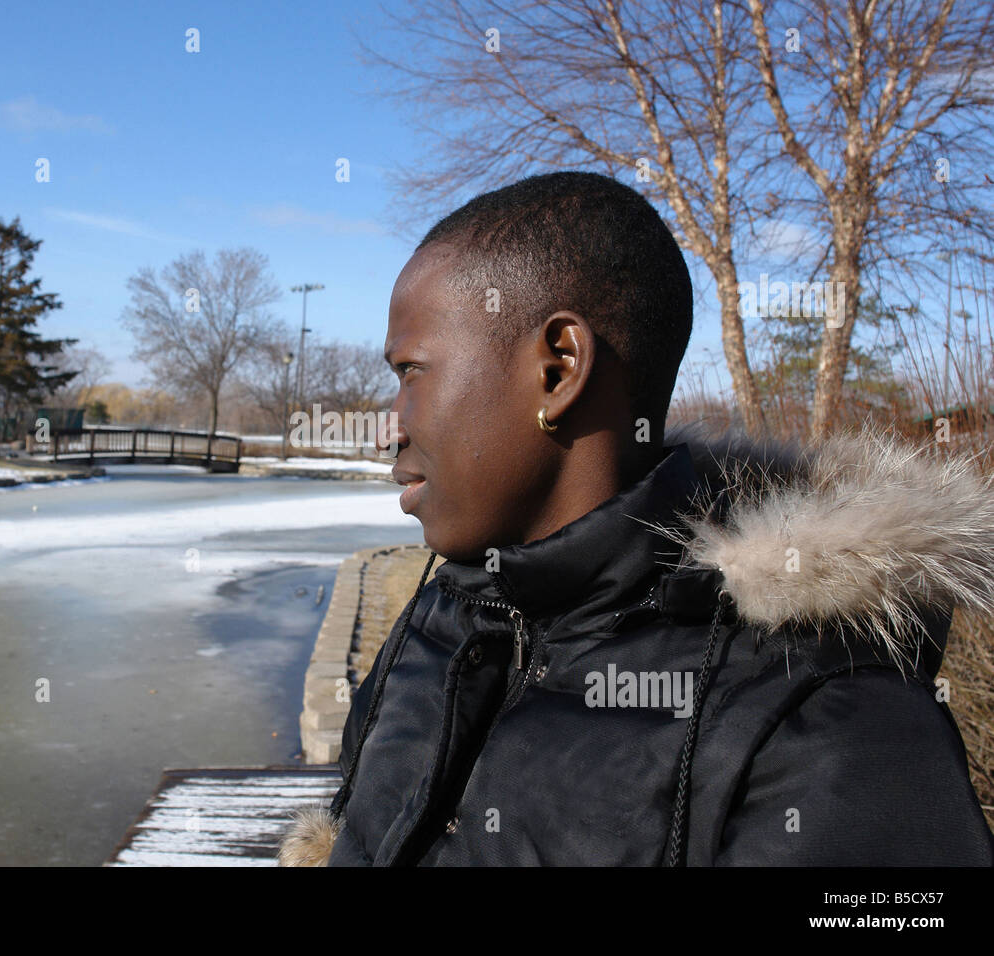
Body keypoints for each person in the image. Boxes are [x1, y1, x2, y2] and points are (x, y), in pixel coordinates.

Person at [278, 171, 994, 866]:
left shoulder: (830, 726)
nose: (388, 427)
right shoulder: (441, 623)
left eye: (411, 373)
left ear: (558, 370)